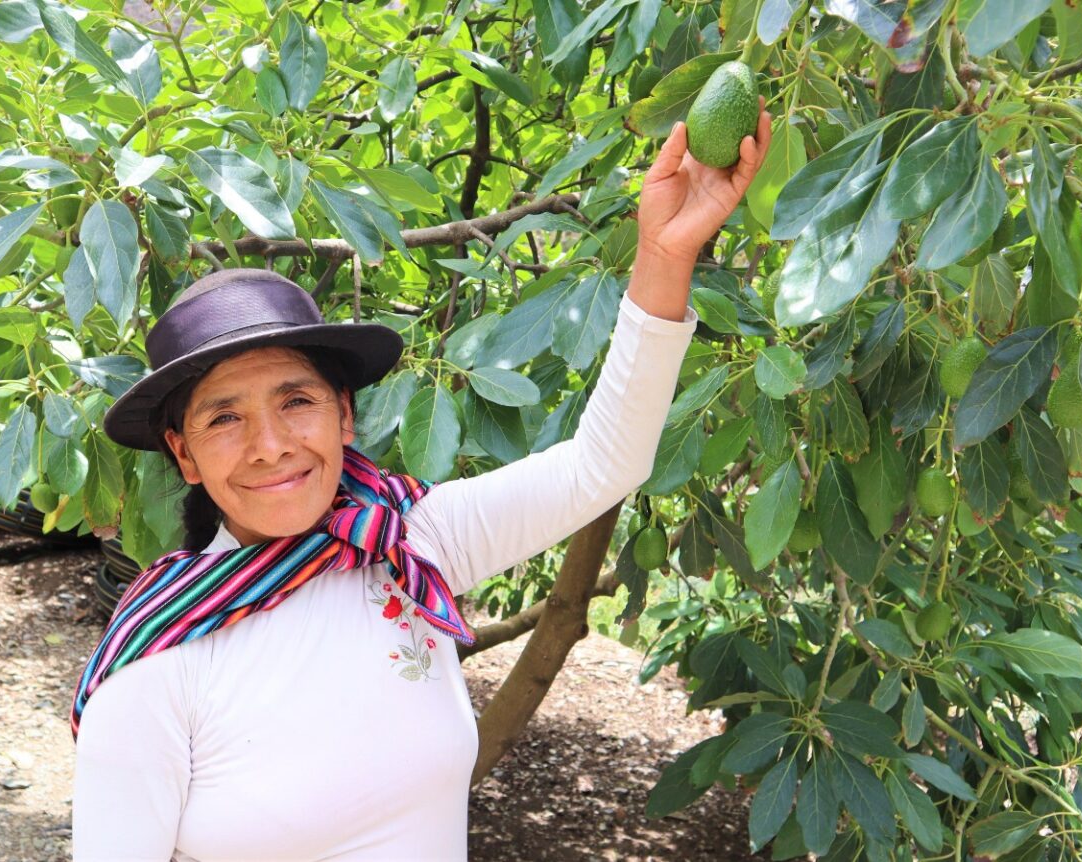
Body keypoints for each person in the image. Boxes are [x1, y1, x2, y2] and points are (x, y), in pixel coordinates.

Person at [70, 108, 772, 861]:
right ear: (184, 455)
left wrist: (664, 254)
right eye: (224, 419)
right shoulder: (159, 662)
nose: (270, 447)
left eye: (296, 402)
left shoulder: (407, 541)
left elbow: (604, 464)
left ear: (344, 414)